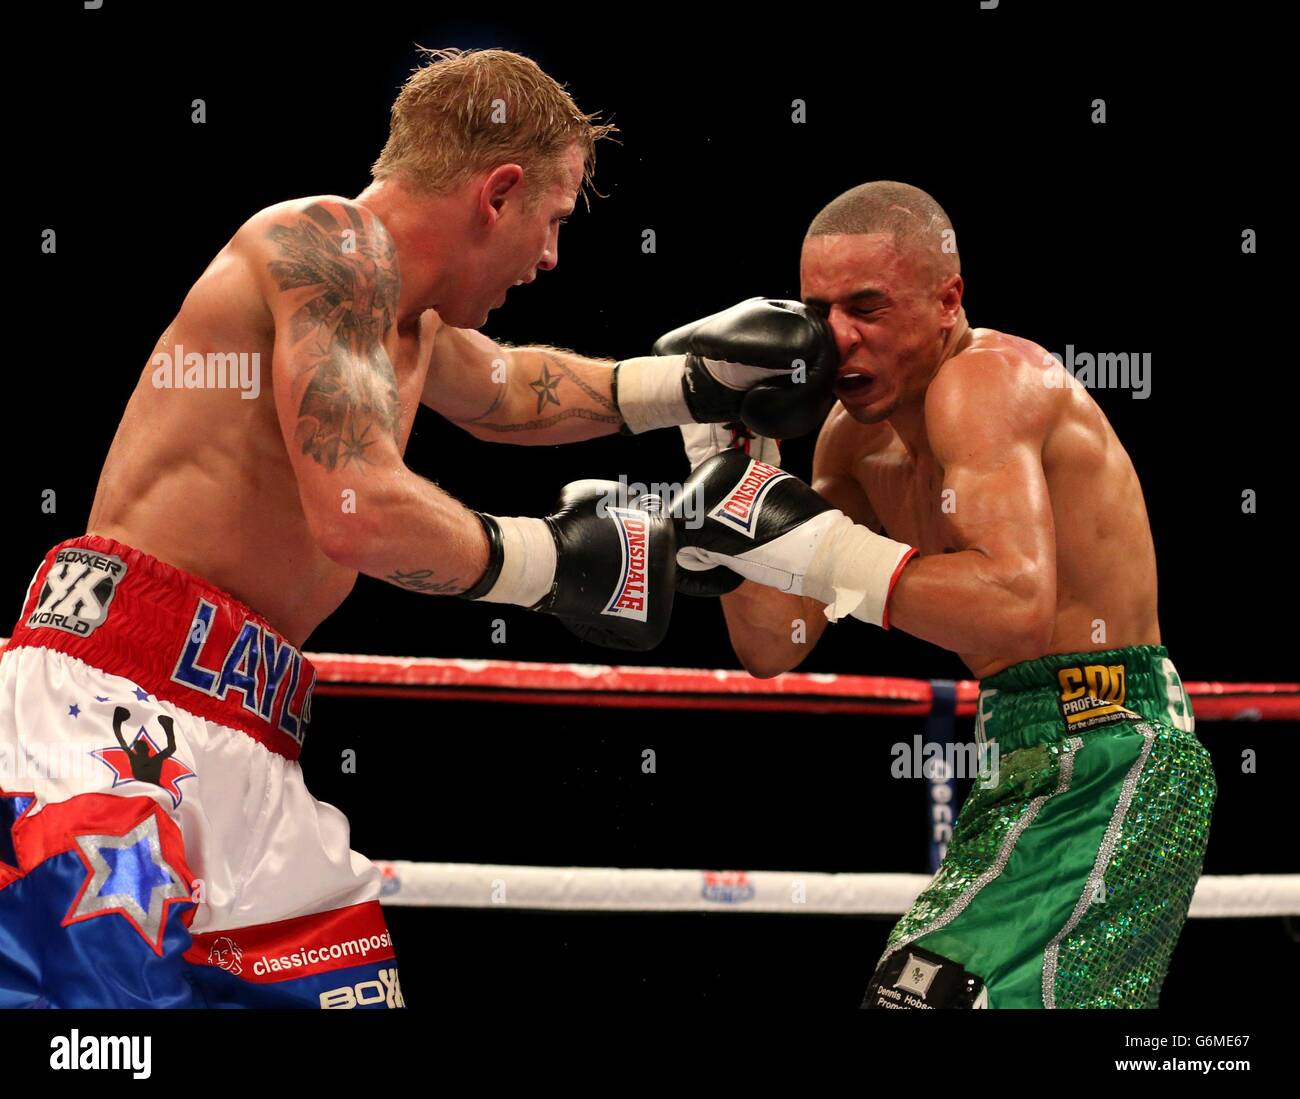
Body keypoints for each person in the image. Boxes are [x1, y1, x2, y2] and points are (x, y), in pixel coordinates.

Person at [0, 47, 828, 1008]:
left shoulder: (414, 325)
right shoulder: (325, 246)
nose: (551, 258)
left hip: (252, 731)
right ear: (499, 192)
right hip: (110, 715)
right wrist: (553, 560)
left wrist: (687, 383)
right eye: (553, 221)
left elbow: (519, 392)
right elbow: (359, 509)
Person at [670, 181, 1217, 1009]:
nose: (838, 338)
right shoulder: (852, 440)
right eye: (820, 312)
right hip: (1019, 759)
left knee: (923, 996)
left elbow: (1014, 602)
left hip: (1113, 744)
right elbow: (773, 645)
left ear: (947, 301)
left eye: (867, 306)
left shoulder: (988, 384)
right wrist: (737, 459)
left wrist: (814, 544)